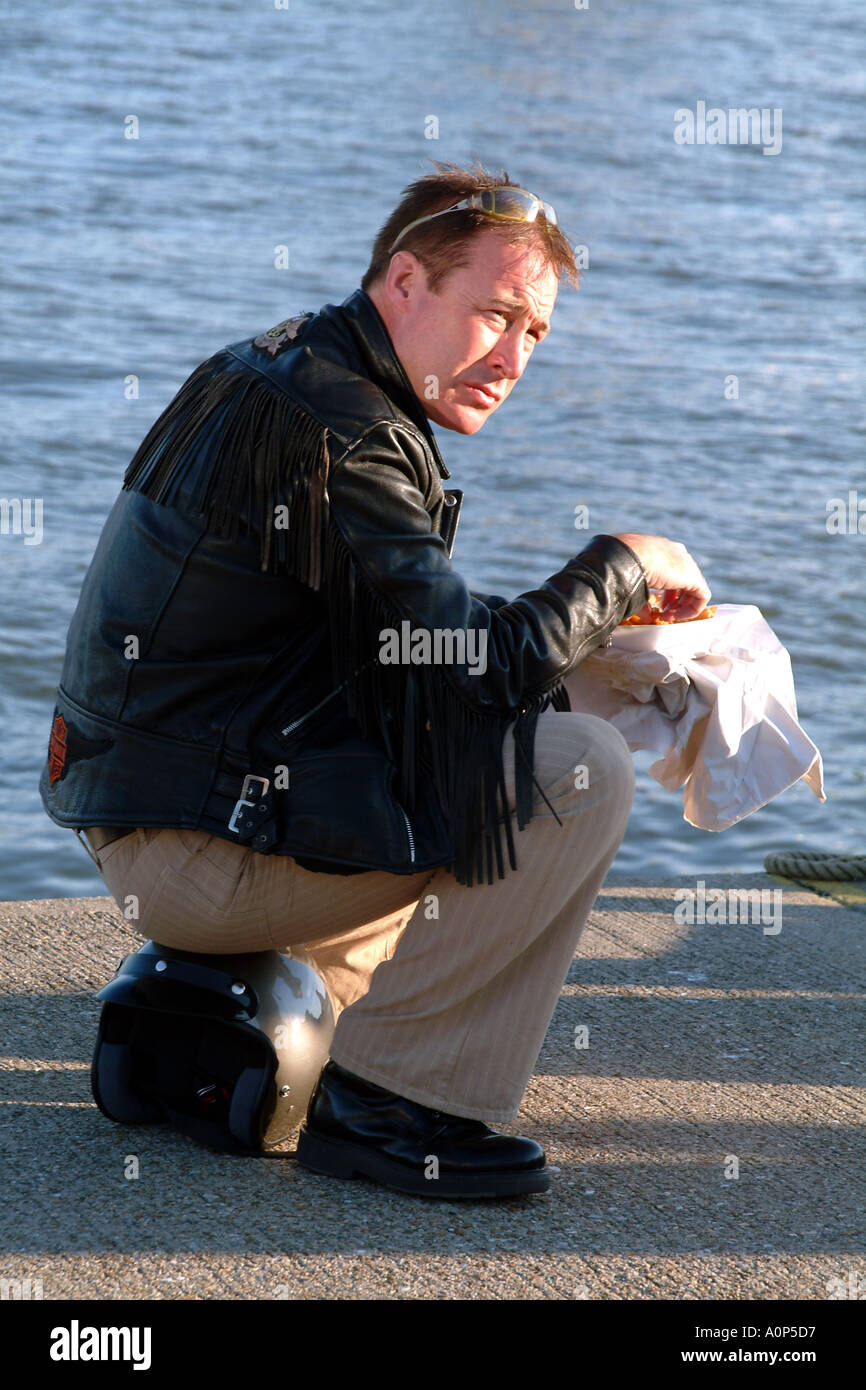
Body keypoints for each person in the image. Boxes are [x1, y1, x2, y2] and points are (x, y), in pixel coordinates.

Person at [40, 160, 710, 1199]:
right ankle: (395, 1104)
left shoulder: (290, 368)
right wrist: (617, 562)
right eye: (494, 312)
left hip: (165, 811)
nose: (513, 356)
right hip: (195, 851)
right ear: (405, 280)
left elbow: (399, 640)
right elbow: (467, 668)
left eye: (534, 333)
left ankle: (323, 1013)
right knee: (575, 769)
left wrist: (588, 638)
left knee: (570, 697)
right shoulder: (343, 432)